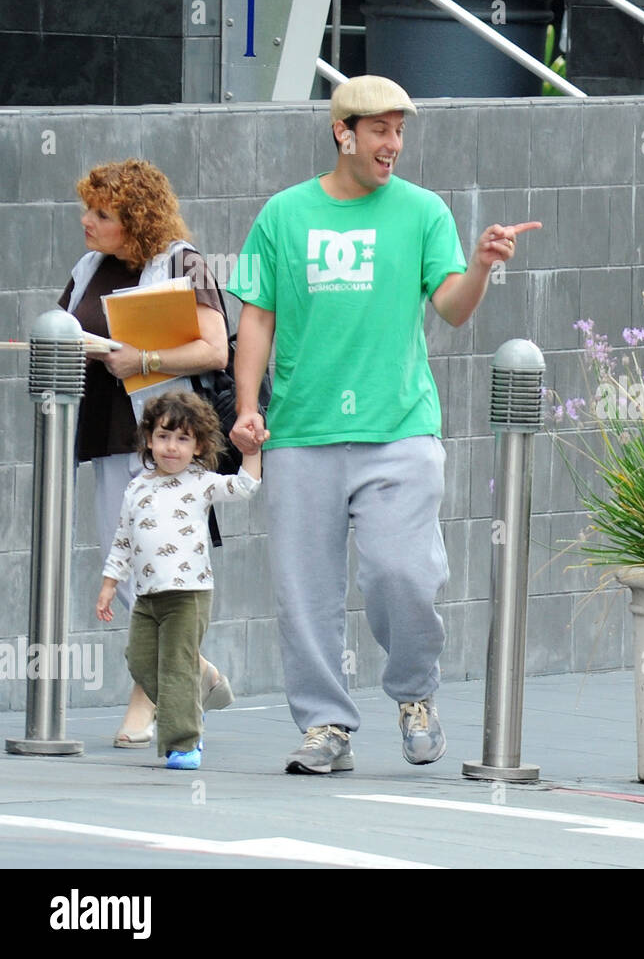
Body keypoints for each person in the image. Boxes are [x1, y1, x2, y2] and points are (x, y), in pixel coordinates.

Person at [226, 75, 540, 775]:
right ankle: (326, 724)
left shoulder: (424, 212)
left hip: (400, 431)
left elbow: (453, 309)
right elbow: (256, 317)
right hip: (302, 433)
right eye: (380, 131)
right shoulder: (283, 215)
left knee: (402, 572)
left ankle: (415, 694)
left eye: (399, 131)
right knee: (303, 592)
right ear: (344, 134)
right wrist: (248, 407)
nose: (393, 144)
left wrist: (483, 266)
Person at [59, 159, 236, 749]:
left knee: (158, 564)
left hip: (166, 443)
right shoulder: (89, 268)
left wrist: (145, 360)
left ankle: (155, 694)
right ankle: (191, 676)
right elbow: (62, 332)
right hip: (108, 436)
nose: (87, 221)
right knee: (129, 562)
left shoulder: (181, 264)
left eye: (102, 214)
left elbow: (214, 350)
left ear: (134, 219)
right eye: (89, 209)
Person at [95, 391, 261, 770]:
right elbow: (123, 540)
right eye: (164, 437)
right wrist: (108, 585)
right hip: (147, 596)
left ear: (198, 445)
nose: (172, 447)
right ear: (149, 440)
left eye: (183, 439)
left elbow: (245, 487)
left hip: (189, 594)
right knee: (138, 660)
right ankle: (187, 704)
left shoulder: (200, 482)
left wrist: (252, 451)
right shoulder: (137, 488)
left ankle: (184, 742)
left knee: (176, 666)